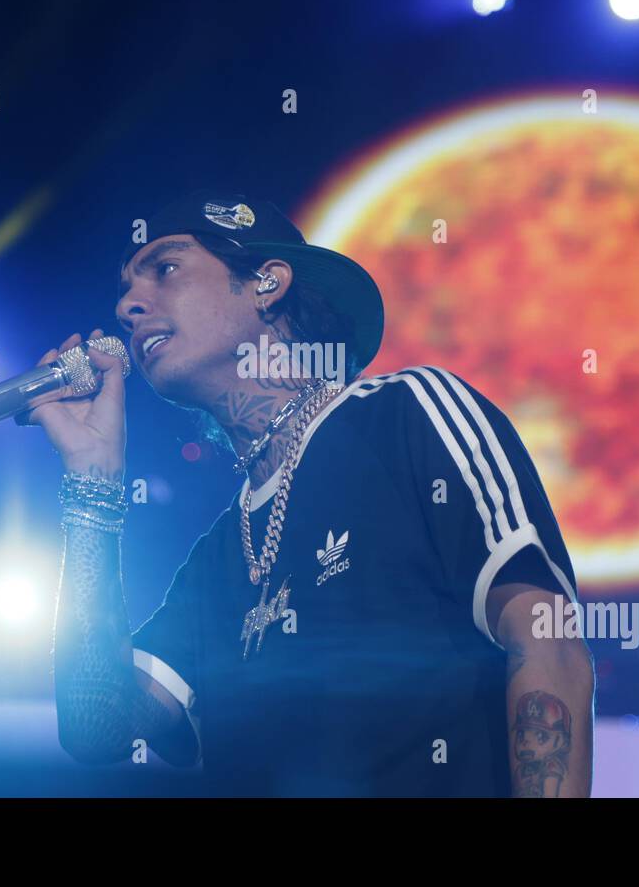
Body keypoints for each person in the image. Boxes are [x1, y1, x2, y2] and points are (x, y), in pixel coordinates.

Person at [33, 191, 594, 796]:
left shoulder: (407, 415)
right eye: (124, 292)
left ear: (267, 283)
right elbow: (97, 728)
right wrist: (92, 483)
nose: (128, 306)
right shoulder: (215, 561)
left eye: (165, 268)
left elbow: (545, 637)